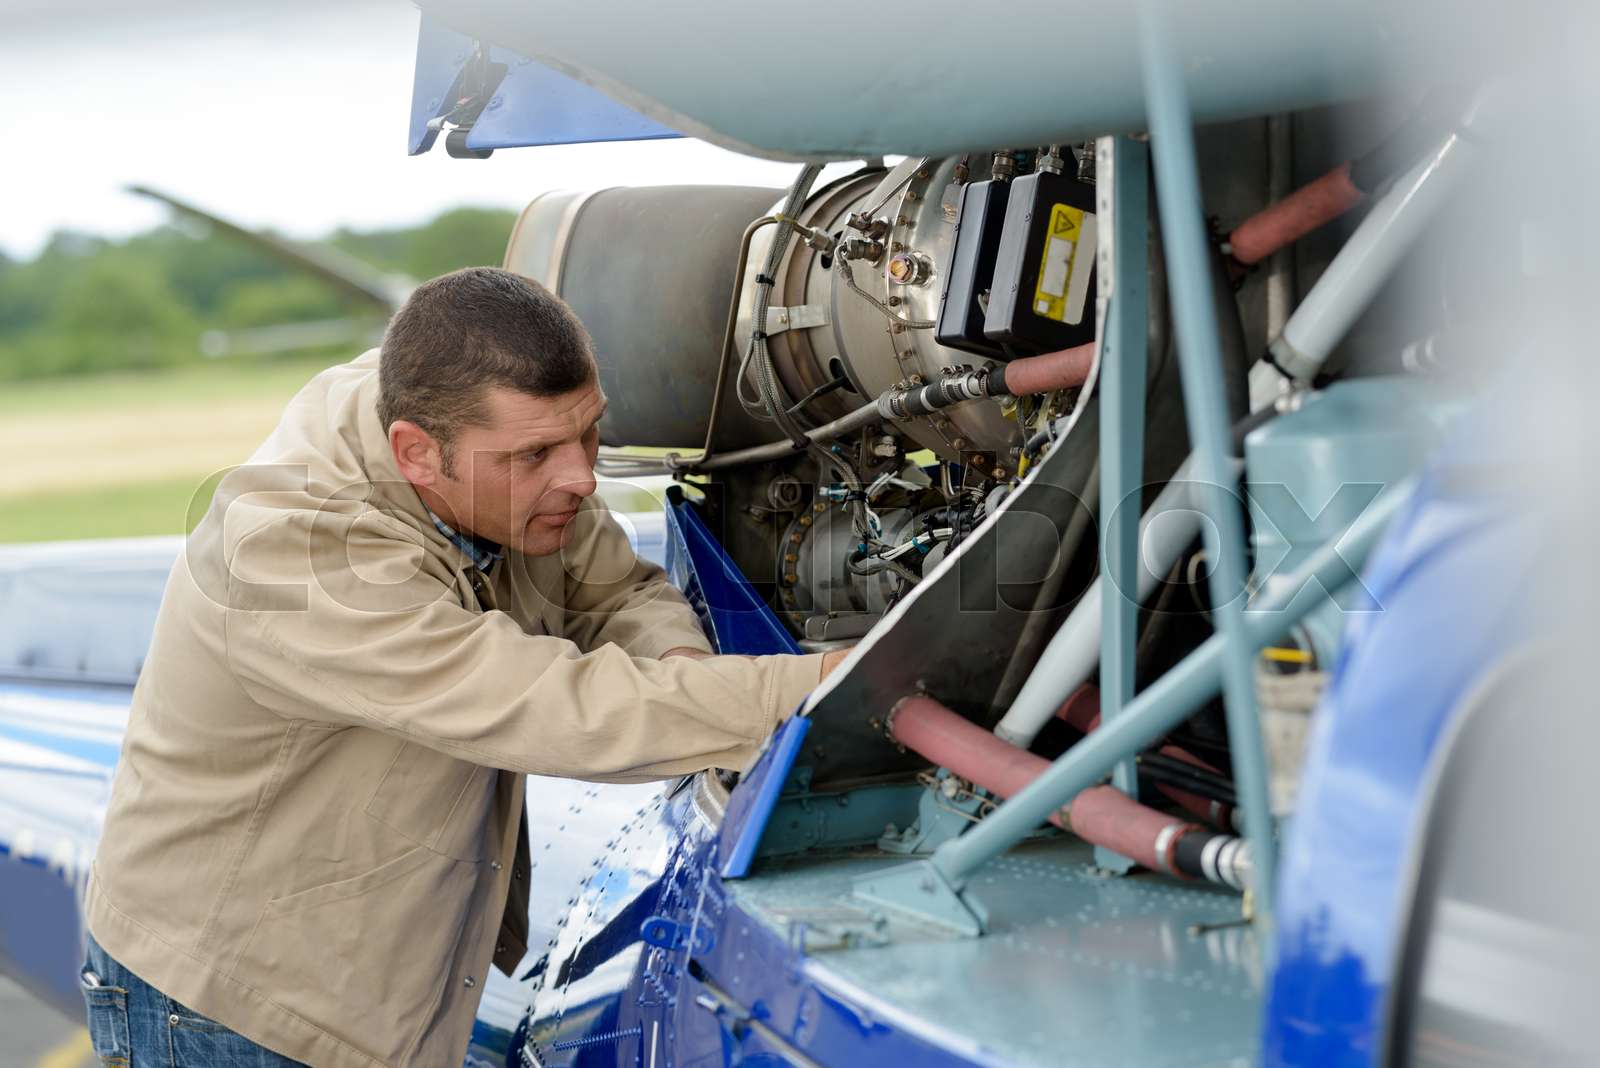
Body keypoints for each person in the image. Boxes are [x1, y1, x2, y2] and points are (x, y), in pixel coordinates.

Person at [80, 267, 845, 1067]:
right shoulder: (294, 552)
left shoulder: (484, 435)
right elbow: (552, 709)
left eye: (590, 433)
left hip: (377, 984)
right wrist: (835, 685)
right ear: (416, 453)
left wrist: (682, 667)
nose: (581, 477)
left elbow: (620, 592)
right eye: (538, 454)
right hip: (229, 1009)